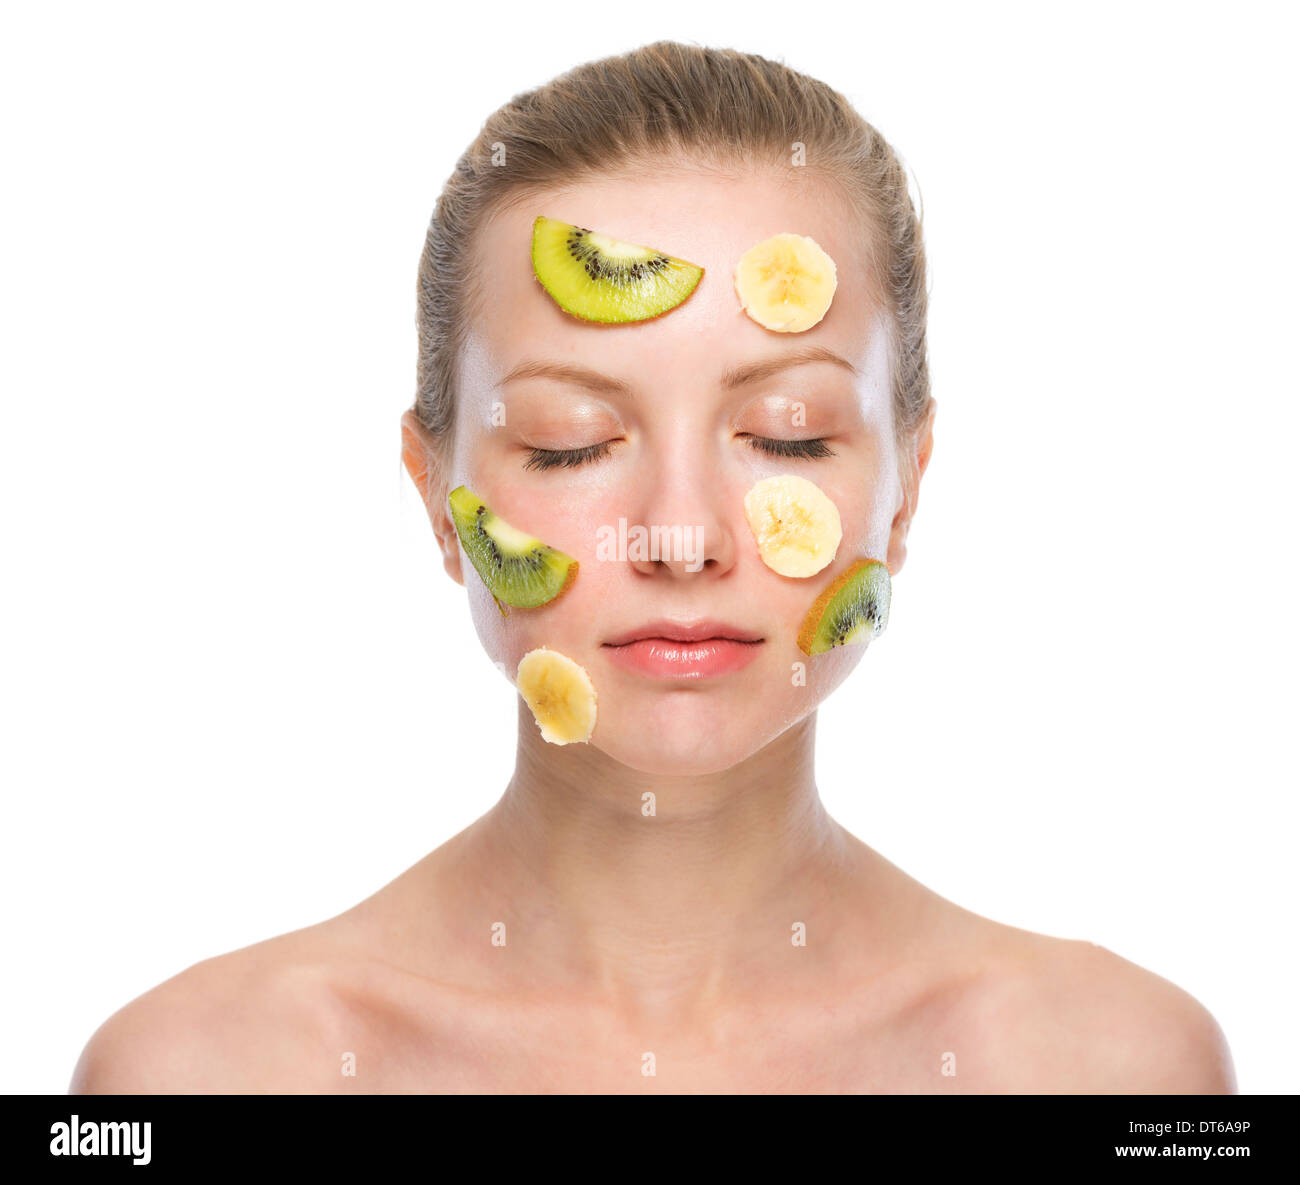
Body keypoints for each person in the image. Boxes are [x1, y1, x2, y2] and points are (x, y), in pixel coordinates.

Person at [70, 40, 1235, 1093]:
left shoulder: (1116, 1073)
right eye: (569, 442)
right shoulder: (197, 1078)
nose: (681, 536)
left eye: (787, 432)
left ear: (906, 487)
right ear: (436, 497)